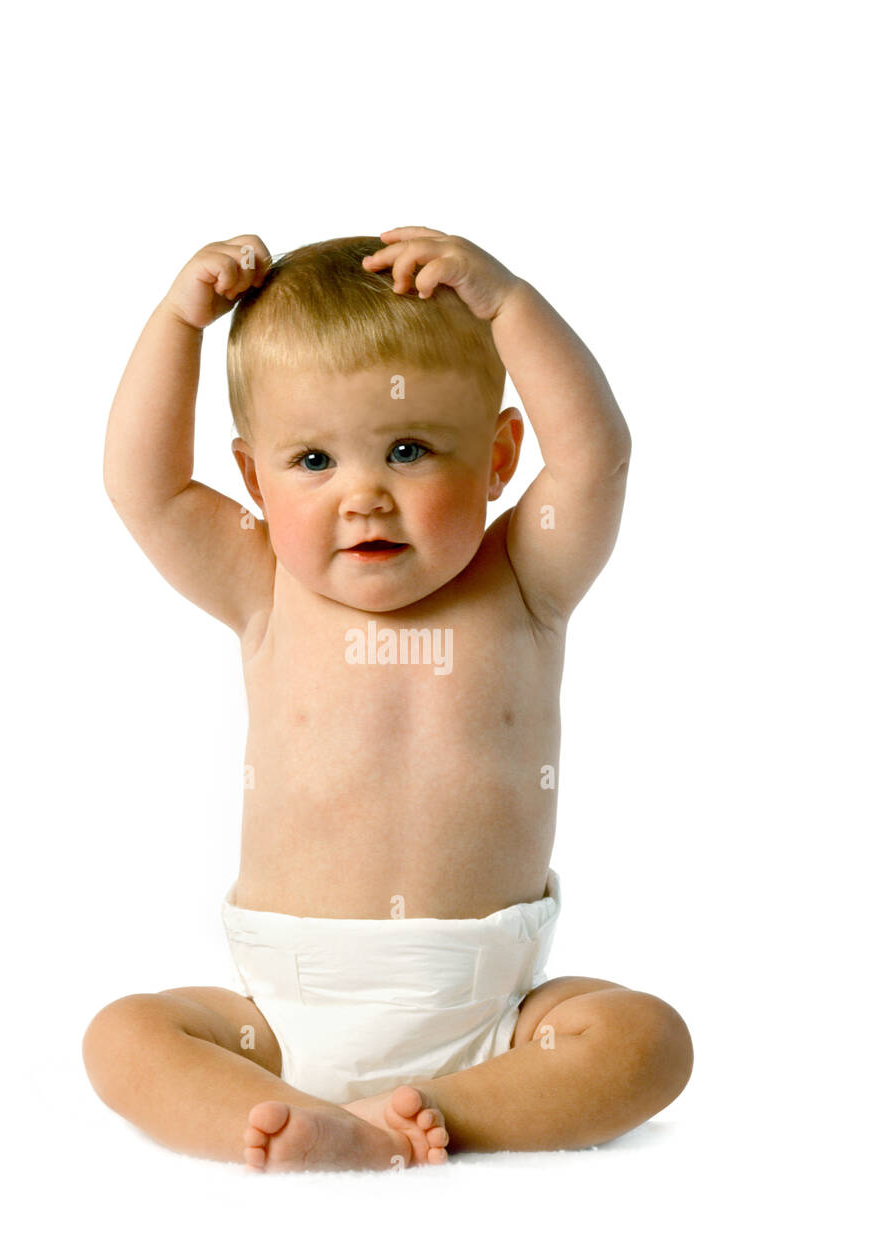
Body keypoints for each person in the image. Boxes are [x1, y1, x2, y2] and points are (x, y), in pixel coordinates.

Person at [82, 226, 694, 1173]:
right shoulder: (263, 588)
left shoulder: (525, 580)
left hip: (493, 1015)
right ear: (253, 479)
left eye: (408, 450)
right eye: (314, 462)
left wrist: (510, 304)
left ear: (497, 461)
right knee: (122, 1036)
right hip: (284, 1018)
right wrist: (177, 324)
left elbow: (595, 459)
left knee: (646, 1040)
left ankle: (414, 1116)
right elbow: (145, 486)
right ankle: (286, 1118)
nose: (363, 496)